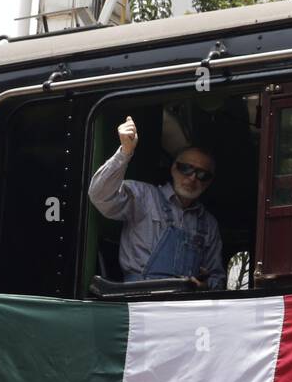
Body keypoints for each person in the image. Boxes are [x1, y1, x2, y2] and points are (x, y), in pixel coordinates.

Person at [87, 116, 225, 289]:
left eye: (202, 174)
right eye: (186, 168)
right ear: (173, 167)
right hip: (138, 299)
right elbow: (100, 195)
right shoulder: (143, 196)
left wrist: (205, 285)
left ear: (209, 182)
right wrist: (125, 152)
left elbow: (217, 278)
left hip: (185, 305)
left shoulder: (209, 224)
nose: (192, 178)